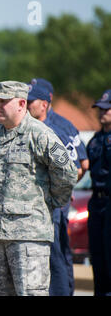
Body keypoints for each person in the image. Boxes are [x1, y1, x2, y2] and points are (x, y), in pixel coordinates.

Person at [0, 80, 78, 296]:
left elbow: (67, 172)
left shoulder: (40, 134)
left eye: (4, 101)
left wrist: (53, 202)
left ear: (22, 103)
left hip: (29, 236)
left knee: (30, 293)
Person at [26, 83, 81, 296]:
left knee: (55, 254)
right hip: (34, 204)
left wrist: (63, 191)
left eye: (31, 102)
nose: (27, 105)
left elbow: (77, 166)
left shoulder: (58, 128)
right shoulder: (26, 127)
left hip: (53, 203)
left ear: (45, 103)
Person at [86, 89, 111, 296]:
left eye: (106, 109)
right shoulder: (95, 139)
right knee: (98, 257)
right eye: (100, 109)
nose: (102, 113)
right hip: (96, 203)